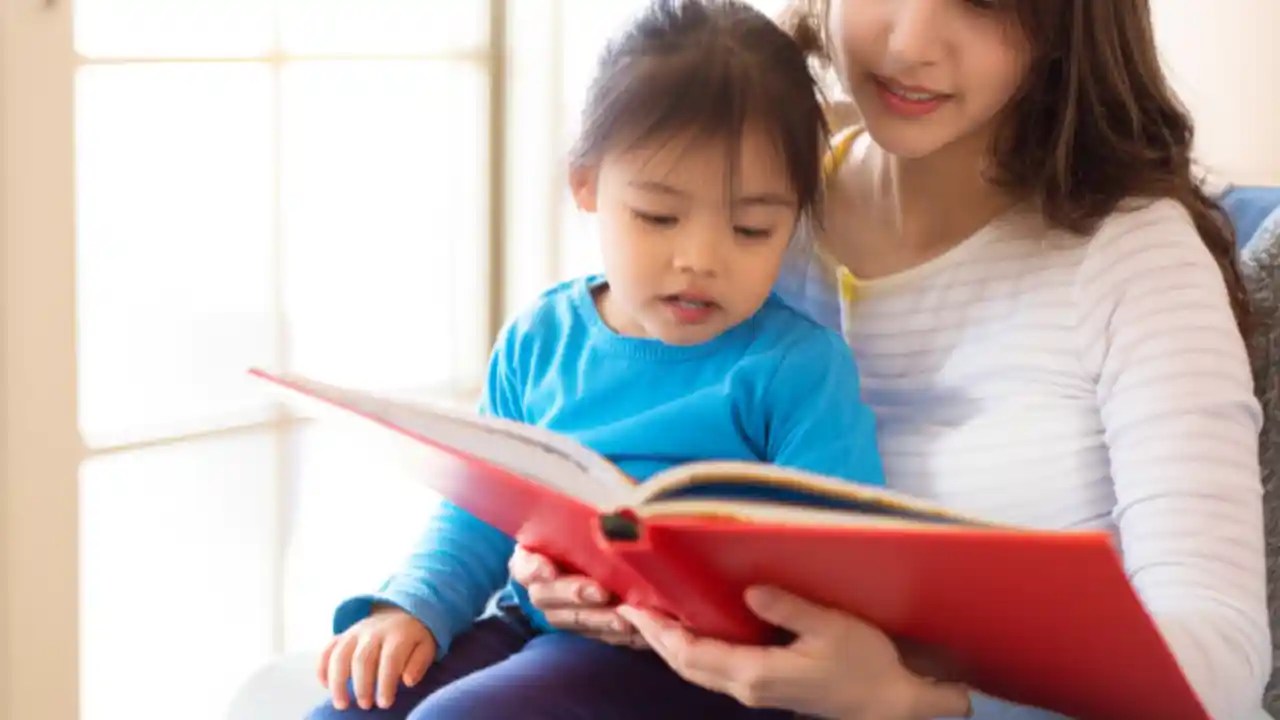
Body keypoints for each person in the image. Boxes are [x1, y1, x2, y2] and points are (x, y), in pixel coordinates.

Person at [512, 0, 1273, 718]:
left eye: (981, 3)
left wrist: (917, 702)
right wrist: (561, 563)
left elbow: (1220, 663)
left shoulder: (1134, 259)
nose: (910, 45)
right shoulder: (751, 202)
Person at [306, 1, 887, 718]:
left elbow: (849, 569)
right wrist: (410, 608)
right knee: (348, 707)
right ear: (586, 183)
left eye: (750, 228)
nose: (699, 259)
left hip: (689, 672)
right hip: (537, 625)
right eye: (658, 217)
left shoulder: (799, 368)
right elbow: (479, 510)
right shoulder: (540, 339)